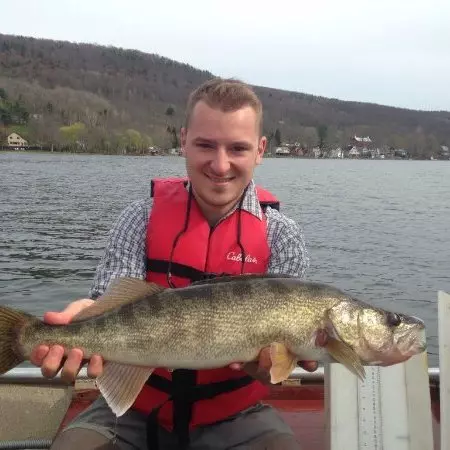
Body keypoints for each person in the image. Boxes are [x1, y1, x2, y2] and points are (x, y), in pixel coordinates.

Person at [31, 78, 316, 450]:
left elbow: (286, 352)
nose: (220, 164)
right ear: (183, 140)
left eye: (238, 148)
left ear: (261, 150)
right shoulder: (140, 218)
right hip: (130, 407)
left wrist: (283, 362)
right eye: (205, 145)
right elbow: (108, 305)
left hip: (234, 415)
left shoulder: (283, 235)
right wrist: (87, 316)